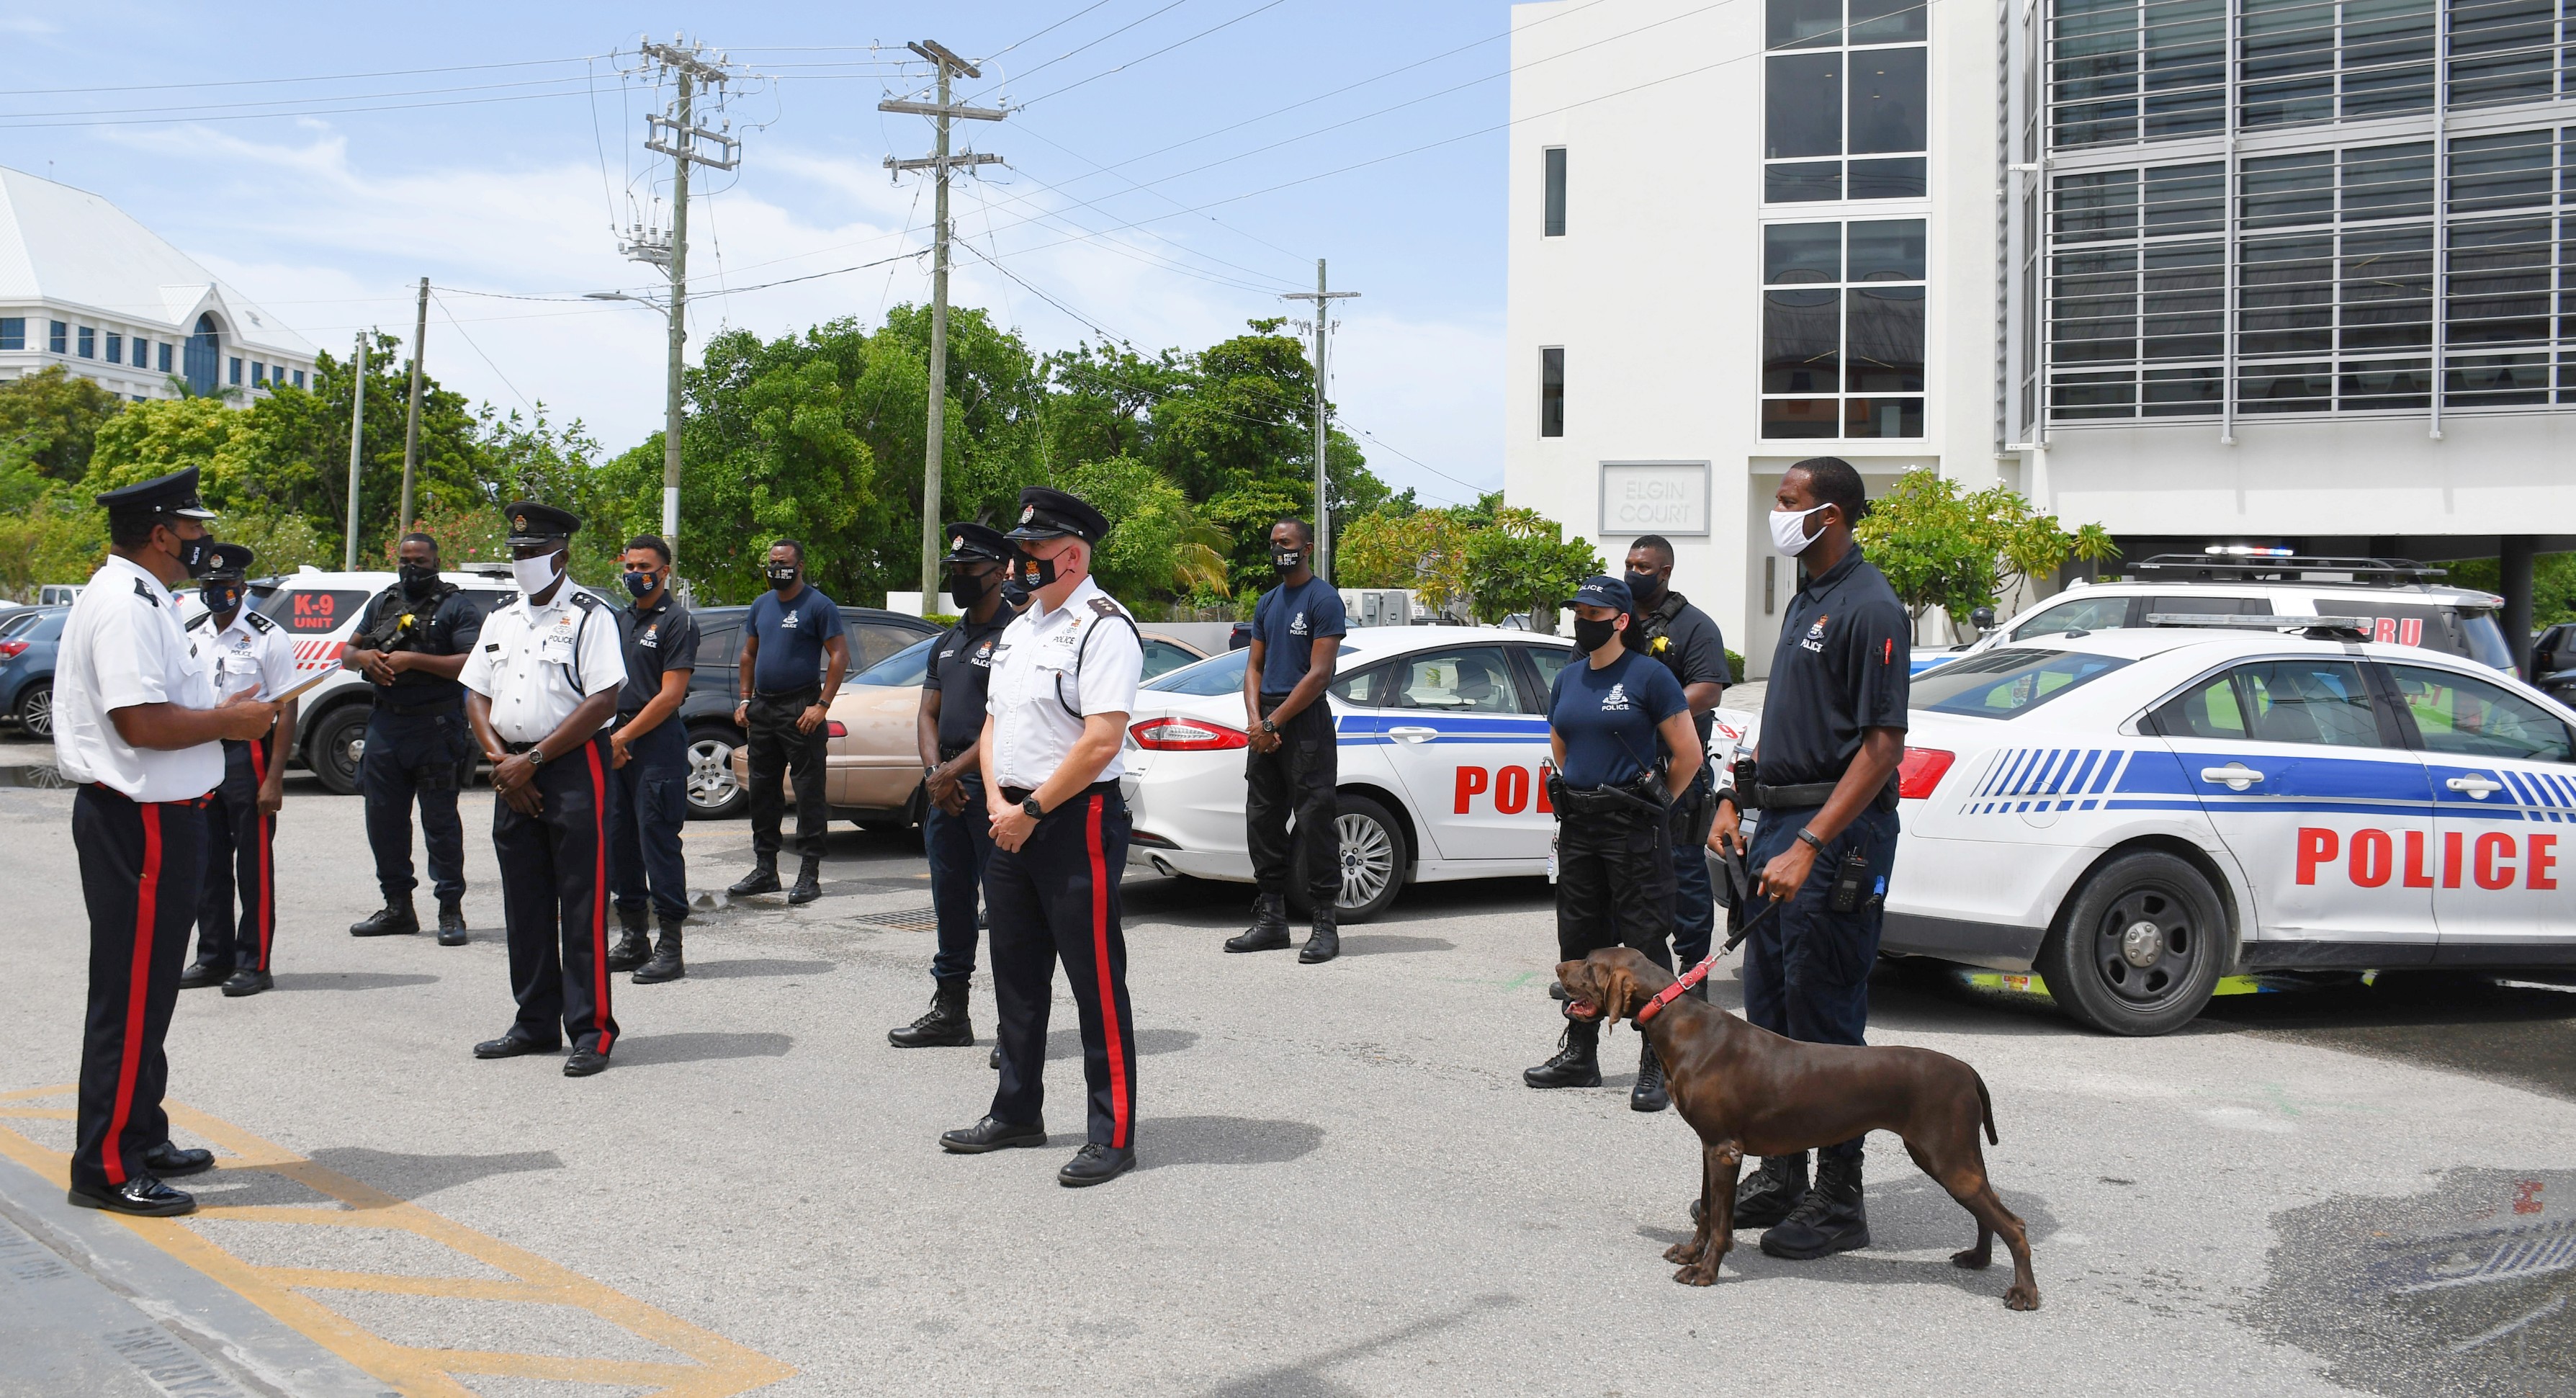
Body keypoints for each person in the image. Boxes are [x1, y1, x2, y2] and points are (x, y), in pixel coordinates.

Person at [54, 467, 278, 1216]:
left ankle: (140, 1133)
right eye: (193, 532)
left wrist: (217, 709)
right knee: (130, 992)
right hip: (138, 816)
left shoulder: (144, 597)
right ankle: (107, 1166)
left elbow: (164, 708)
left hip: (161, 812)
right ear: (159, 534)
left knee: (148, 992)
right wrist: (229, 723)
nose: (202, 545)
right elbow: (141, 725)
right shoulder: (124, 604)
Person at [1708, 455, 1909, 1260]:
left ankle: (1838, 1200)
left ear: (1831, 514)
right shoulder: (1806, 601)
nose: (1777, 514)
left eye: (1788, 503)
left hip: (1834, 840)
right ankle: (1783, 1174)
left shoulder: (1870, 605)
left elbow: (1882, 745)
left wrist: (1813, 843)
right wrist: (1736, 794)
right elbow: (1786, 717)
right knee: (1774, 1015)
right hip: (1780, 826)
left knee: (1825, 1021)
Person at [938, 487, 1145, 1188]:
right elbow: (994, 725)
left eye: (1031, 549)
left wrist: (1032, 810)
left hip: (1074, 819)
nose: (1018, 559)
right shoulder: (1020, 629)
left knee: (1094, 984)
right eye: (1019, 548)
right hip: (1010, 817)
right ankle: (1016, 1110)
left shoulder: (1103, 627)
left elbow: (1100, 741)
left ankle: (1111, 1133)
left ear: (1071, 555)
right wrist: (998, 799)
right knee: (1017, 980)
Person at [459, 502, 630, 1077]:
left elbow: (602, 701)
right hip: (511, 768)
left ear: (561, 553)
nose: (522, 562)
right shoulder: (502, 618)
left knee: (581, 904)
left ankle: (591, 1029)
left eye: (532, 553)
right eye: (516, 553)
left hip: (570, 766)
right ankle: (534, 1022)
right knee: (525, 905)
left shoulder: (590, 616)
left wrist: (532, 759)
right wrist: (502, 761)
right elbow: (476, 694)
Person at [1525, 575, 1702, 1111]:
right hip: (1579, 828)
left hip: (1632, 829)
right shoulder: (1569, 679)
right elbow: (1561, 744)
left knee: (1644, 947)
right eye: (1578, 610)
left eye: (1593, 612)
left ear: (1621, 620)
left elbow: (1687, 755)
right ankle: (1580, 1055)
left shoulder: (1650, 676)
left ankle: (1659, 1062)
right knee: (1578, 943)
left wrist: (1654, 809)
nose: (1582, 620)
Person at [889, 522, 1016, 1049]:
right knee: (951, 903)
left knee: (1010, 912)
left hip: (991, 791)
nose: (960, 578)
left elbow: (1006, 718)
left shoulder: (1016, 636)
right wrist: (934, 775)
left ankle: (1015, 1026)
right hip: (944, 790)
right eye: (955, 571)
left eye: (969, 569)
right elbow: (927, 712)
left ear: (997, 572)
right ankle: (951, 1012)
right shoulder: (948, 639)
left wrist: (953, 772)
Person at [342, 533, 485, 945]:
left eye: (419, 561)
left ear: (436, 561)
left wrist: (412, 660)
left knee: (440, 824)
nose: (411, 568)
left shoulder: (456, 606)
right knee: (383, 821)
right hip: (387, 725)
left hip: (435, 727)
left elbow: (471, 663)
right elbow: (347, 653)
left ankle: (450, 911)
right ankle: (398, 907)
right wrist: (365, 658)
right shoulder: (384, 601)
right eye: (405, 560)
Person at [179, 543, 299, 998]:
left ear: (242, 587)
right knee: (207, 862)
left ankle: (255, 963)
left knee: (252, 865)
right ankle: (214, 956)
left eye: (224, 586)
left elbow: (285, 709)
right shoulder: (192, 633)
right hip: (200, 750)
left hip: (247, 756)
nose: (216, 594)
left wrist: (274, 778)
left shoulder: (268, 636)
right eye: (208, 586)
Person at [1226, 519, 1347, 963]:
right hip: (1267, 725)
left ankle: (1325, 925)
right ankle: (1272, 919)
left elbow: (1319, 673)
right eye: (1274, 543)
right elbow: (1253, 668)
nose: (1280, 550)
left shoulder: (1323, 598)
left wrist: (1274, 724)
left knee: (1316, 821)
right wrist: (1257, 722)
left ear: (1308, 548)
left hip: (1304, 720)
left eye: (1288, 543)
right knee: (1262, 820)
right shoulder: (1268, 602)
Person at [1621, 535, 1732, 976]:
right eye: (1629, 564)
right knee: (1623, 872)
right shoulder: (1618, 621)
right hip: (1623, 771)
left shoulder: (1695, 626)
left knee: (1683, 870)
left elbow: (1708, 689)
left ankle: (1693, 970)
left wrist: (1653, 715)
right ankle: (1633, 967)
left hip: (1677, 772)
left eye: (1643, 567)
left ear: (1665, 572)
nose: (1632, 572)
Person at [725, 540, 848, 905]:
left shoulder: (818, 605)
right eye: (772, 562)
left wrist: (822, 705)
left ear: (800, 566)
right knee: (762, 792)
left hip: (802, 707)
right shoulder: (762, 605)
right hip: (763, 707)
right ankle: (766, 870)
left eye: (784, 562)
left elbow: (839, 654)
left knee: (809, 792)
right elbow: (749, 654)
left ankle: (809, 874)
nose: (777, 567)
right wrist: (745, 700)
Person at [604, 535, 699, 985]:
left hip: (655, 745)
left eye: (643, 565)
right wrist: (612, 736)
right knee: (620, 842)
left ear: (664, 572)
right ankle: (633, 938)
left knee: (657, 844)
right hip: (615, 742)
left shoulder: (677, 622)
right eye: (629, 566)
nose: (634, 573)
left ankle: (671, 946)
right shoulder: (617, 620)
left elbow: (671, 694)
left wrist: (624, 735)